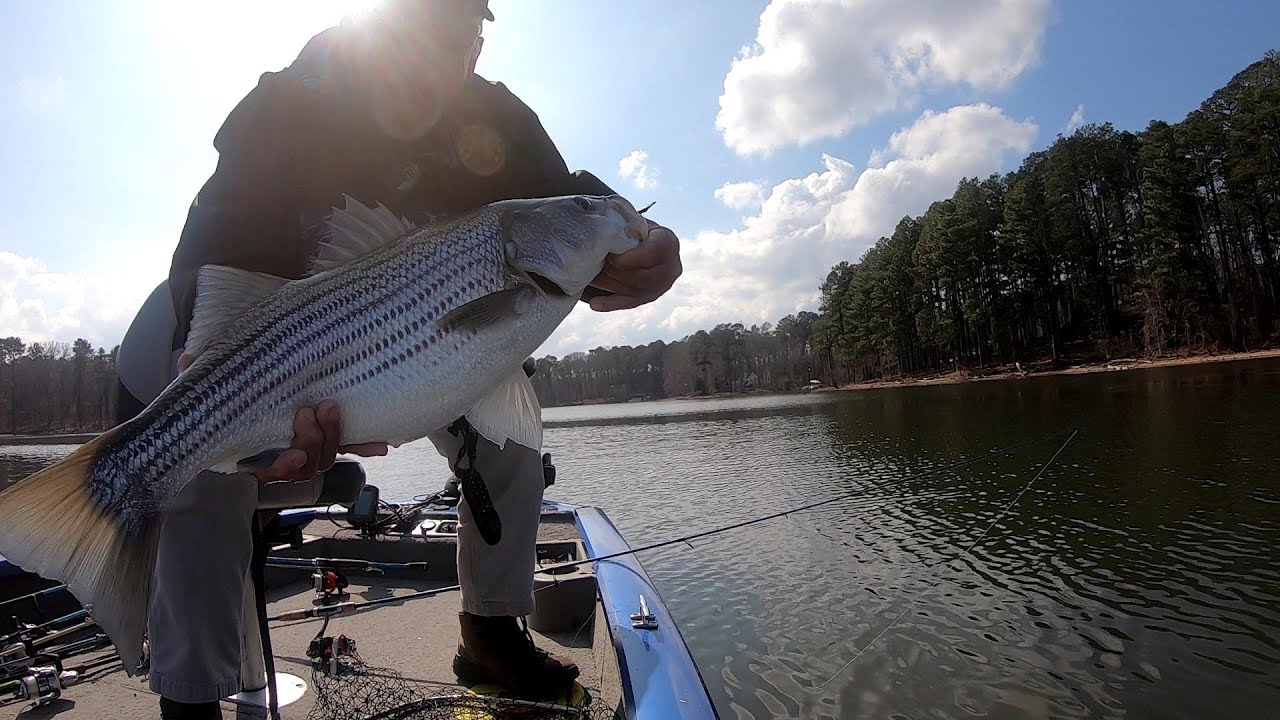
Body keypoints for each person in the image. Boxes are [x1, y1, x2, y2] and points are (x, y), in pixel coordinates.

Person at [114, 1, 683, 718]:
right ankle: (191, 700)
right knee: (200, 464)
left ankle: (491, 629)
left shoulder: (501, 126)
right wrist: (234, 412)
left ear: (475, 51)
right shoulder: (287, 105)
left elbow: (581, 207)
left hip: (405, 353)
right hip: (269, 352)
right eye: (409, 32)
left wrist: (655, 243)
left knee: (512, 436)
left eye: (450, 40)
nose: (424, 60)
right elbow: (213, 274)